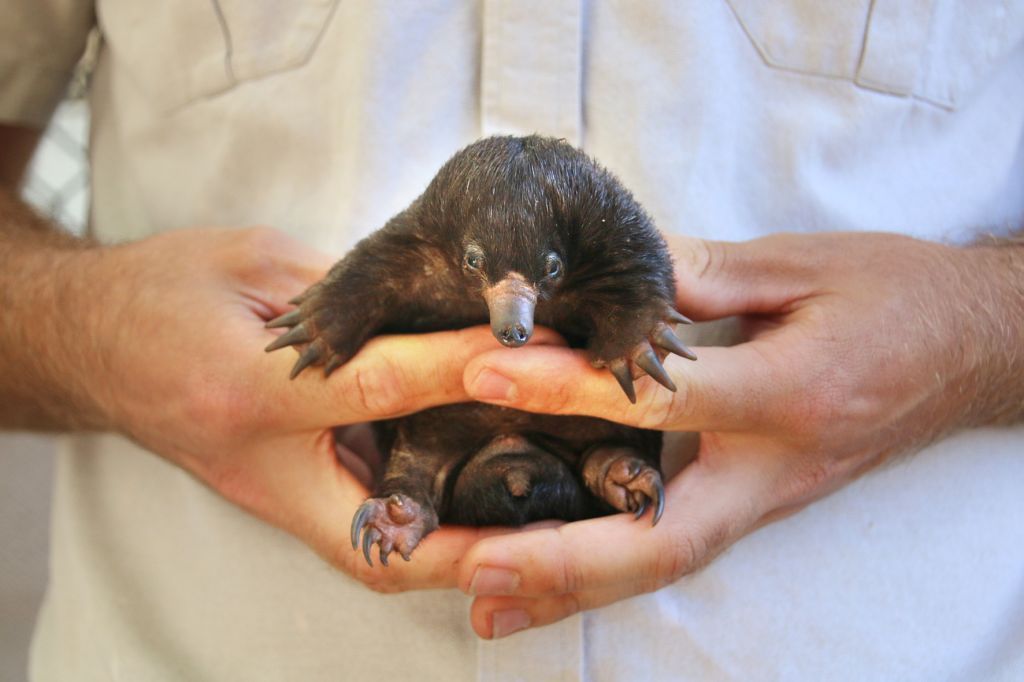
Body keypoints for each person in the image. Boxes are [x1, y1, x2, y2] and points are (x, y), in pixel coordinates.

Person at [2, 2, 1022, 680]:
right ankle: (429, 492)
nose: (512, 316)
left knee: (597, 438)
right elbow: (374, 274)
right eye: (497, 279)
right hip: (198, 635)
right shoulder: (417, 247)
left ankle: (612, 455)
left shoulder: (605, 238)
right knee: (426, 458)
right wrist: (87, 331)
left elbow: (633, 281)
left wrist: (972, 335)